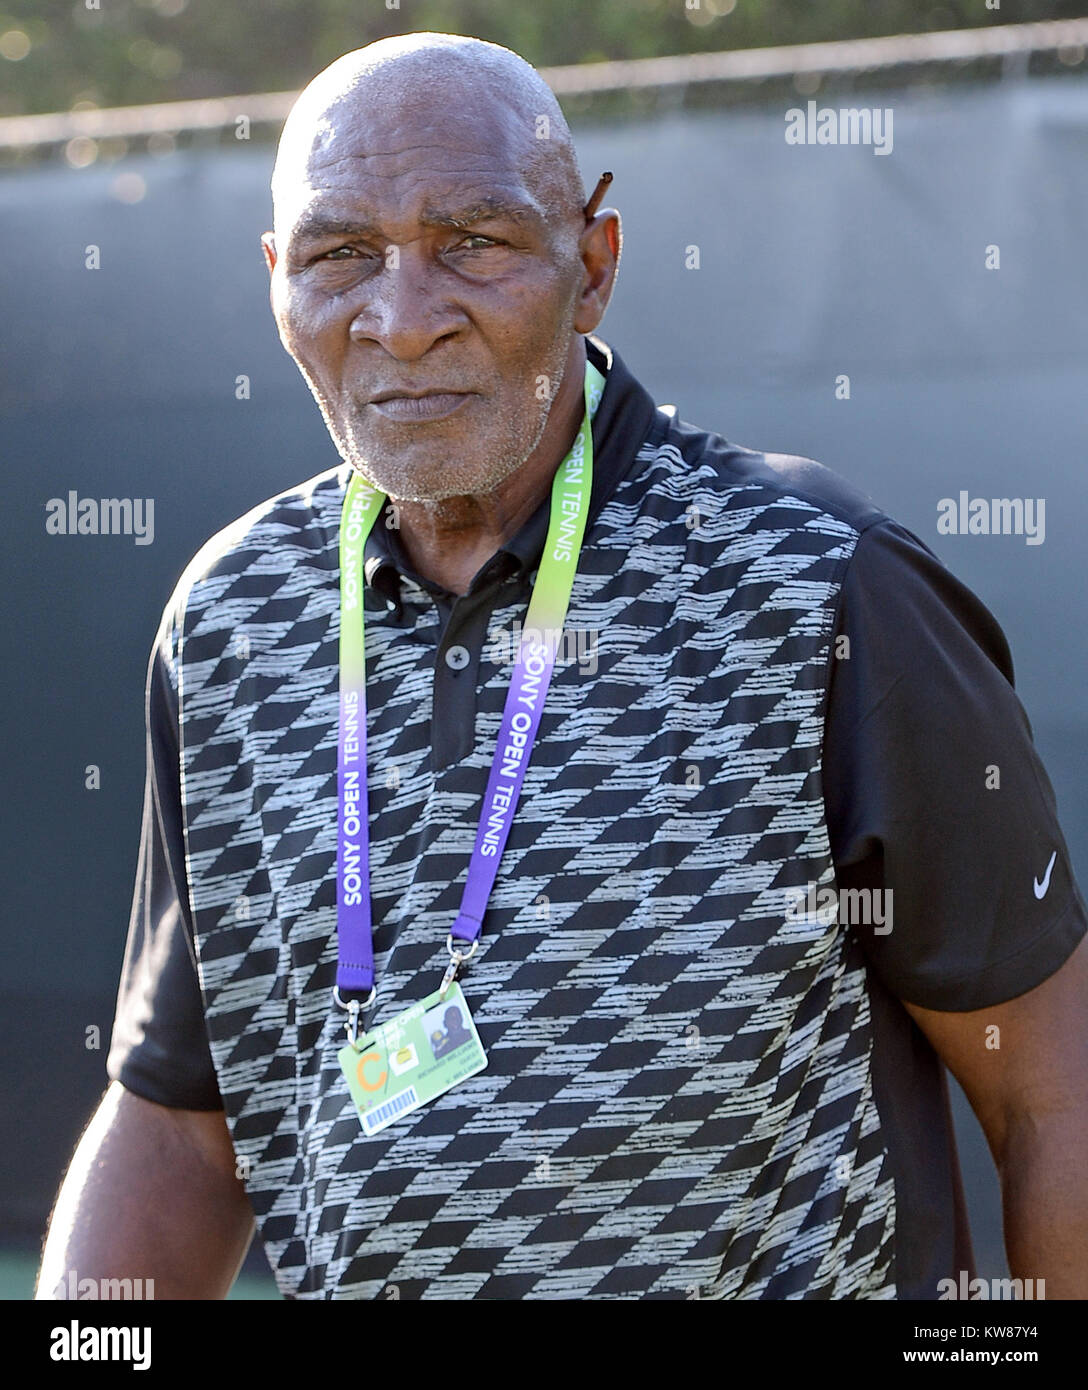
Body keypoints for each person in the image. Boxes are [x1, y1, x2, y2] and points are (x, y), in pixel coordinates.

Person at [37, 31, 1088, 1301]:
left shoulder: (826, 588)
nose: (403, 318)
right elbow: (180, 1130)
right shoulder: (229, 617)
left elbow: (1051, 1090)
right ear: (277, 280)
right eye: (340, 255)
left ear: (590, 266)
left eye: (472, 241)